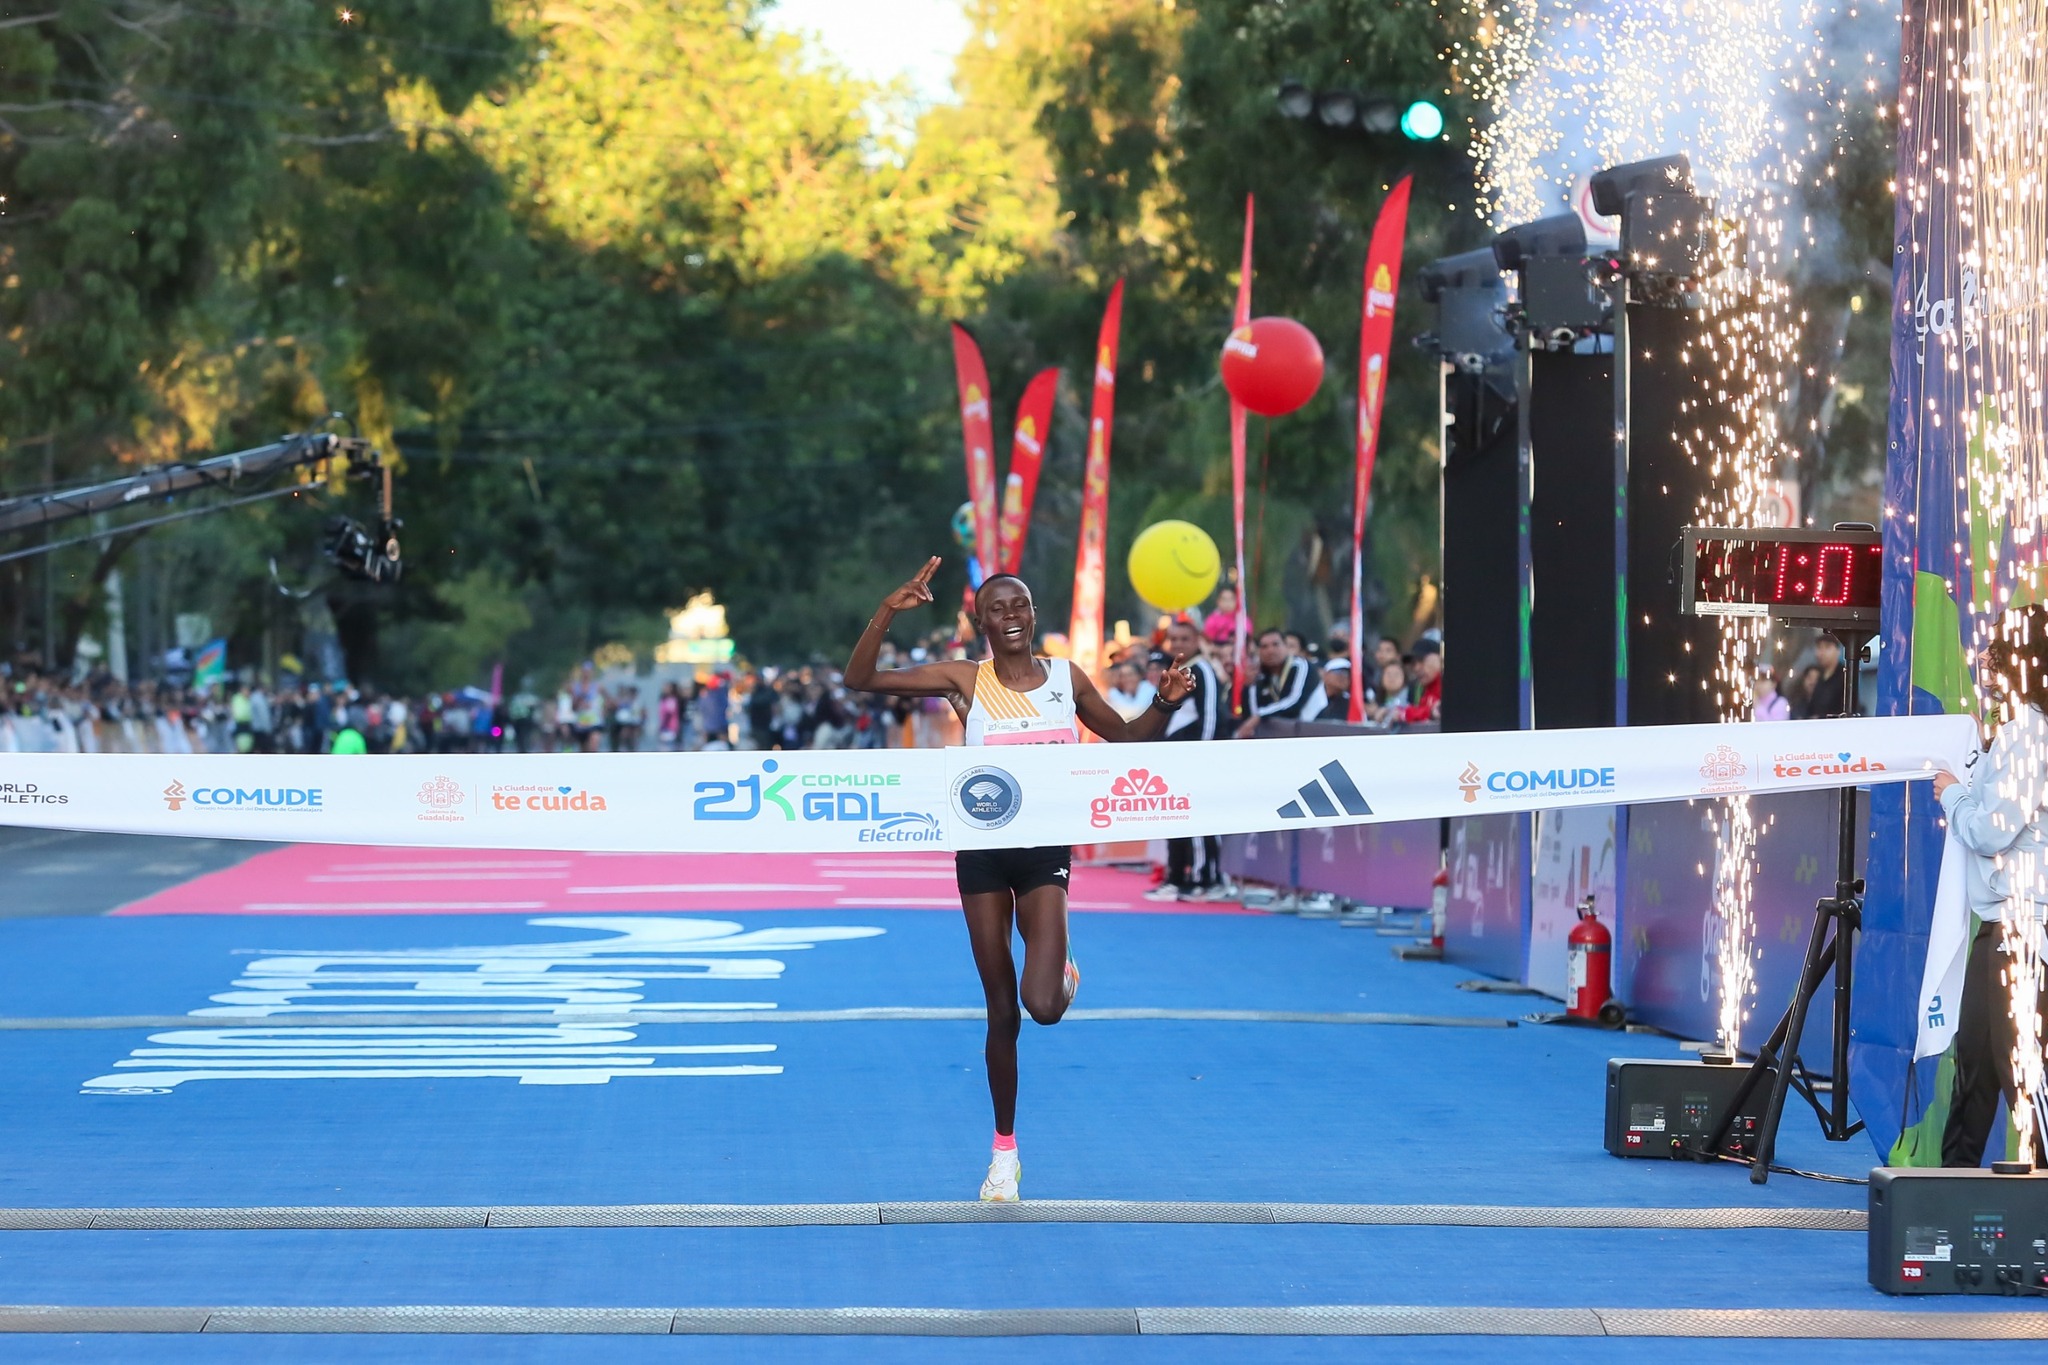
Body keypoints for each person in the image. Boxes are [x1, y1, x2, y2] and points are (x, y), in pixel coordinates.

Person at [844, 558, 1194, 1203]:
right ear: (980, 622)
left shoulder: (1067, 679)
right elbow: (860, 678)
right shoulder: (964, 680)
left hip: (1043, 854)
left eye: (1021, 605)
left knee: (1043, 1008)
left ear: (1035, 616)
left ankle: (1063, 971)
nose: (1011, 616)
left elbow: (1127, 737)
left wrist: (1164, 704)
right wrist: (889, 609)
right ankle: (1003, 1154)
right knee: (1000, 1010)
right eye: (998, 609)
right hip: (980, 850)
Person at [1933, 608, 2048, 1167]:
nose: (1984, 657)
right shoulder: (2016, 729)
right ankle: (1948, 1193)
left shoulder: (2027, 731)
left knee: (2024, 1076)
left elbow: (1991, 829)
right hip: (2001, 927)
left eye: (1998, 646)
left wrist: (1953, 794)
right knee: (1976, 1065)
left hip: (2022, 930)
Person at [1150, 617, 1228, 903]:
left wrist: (1202, 754)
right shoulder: (1178, 671)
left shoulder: (1202, 670)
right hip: (1176, 757)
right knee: (1176, 817)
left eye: (1185, 639)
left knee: (1198, 819)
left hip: (1195, 756)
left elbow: (1210, 715)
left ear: (1197, 641)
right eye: (1175, 639)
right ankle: (1177, 876)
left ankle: (1203, 878)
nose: (1179, 644)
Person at [1235, 628, 1316, 737]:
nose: (1270, 651)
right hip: (1276, 736)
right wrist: (1249, 686)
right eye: (1264, 647)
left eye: (1275, 644)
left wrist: (1260, 716)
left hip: (1311, 731)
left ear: (1286, 647)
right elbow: (1250, 714)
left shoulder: (1300, 666)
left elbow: (1293, 701)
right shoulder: (1260, 673)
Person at [1801, 636, 1847, 718]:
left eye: (1827, 647)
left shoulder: (1844, 676)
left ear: (1838, 651)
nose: (1822, 653)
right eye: (1819, 647)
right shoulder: (1820, 677)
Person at [1299, 656, 1348, 722]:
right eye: (1338, 671)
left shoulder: (1348, 702)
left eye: (1348, 674)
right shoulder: (1310, 692)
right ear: (1325, 674)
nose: (1343, 676)